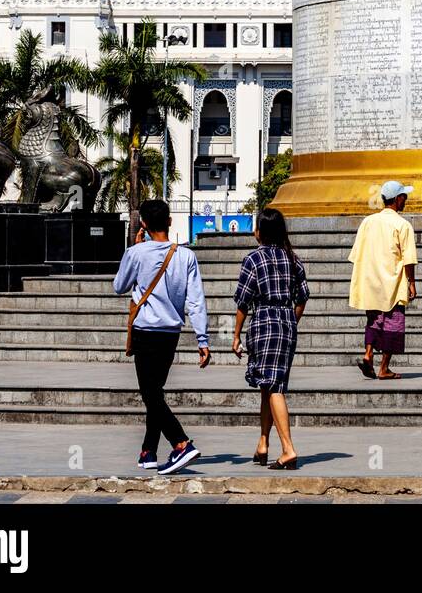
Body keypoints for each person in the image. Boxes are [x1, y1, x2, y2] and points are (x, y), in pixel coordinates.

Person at [112, 198, 211, 474]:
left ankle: (180, 443)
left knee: (150, 393)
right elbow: (196, 301)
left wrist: (134, 248)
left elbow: (119, 286)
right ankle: (149, 451)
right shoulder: (186, 256)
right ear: (169, 221)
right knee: (154, 391)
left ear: (143, 223)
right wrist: (202, 339)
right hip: (171, 333)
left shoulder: (137, 253)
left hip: (145, 331)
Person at [233, 207, 309, 470]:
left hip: (264, 320)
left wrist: (235, 335)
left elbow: (243, 302)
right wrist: (290, 321)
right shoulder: (293, 259)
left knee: (274, 386)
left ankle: (288, 449)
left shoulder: (253, 260)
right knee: (268, 384)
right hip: (286, 321)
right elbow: (302, 298)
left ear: (260, 233)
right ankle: (263, 444)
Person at [348, 180, 417, 380]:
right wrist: (411, 282)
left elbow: (356, 256)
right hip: (392, 283)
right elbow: (409, 259)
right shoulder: (402, 225)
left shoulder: (368, 222)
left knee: (373, 321)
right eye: (404, 196)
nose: (406, 200)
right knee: (393, 325)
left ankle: (368, 354)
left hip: (371, 282)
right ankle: (384, 368)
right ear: (397, 199)